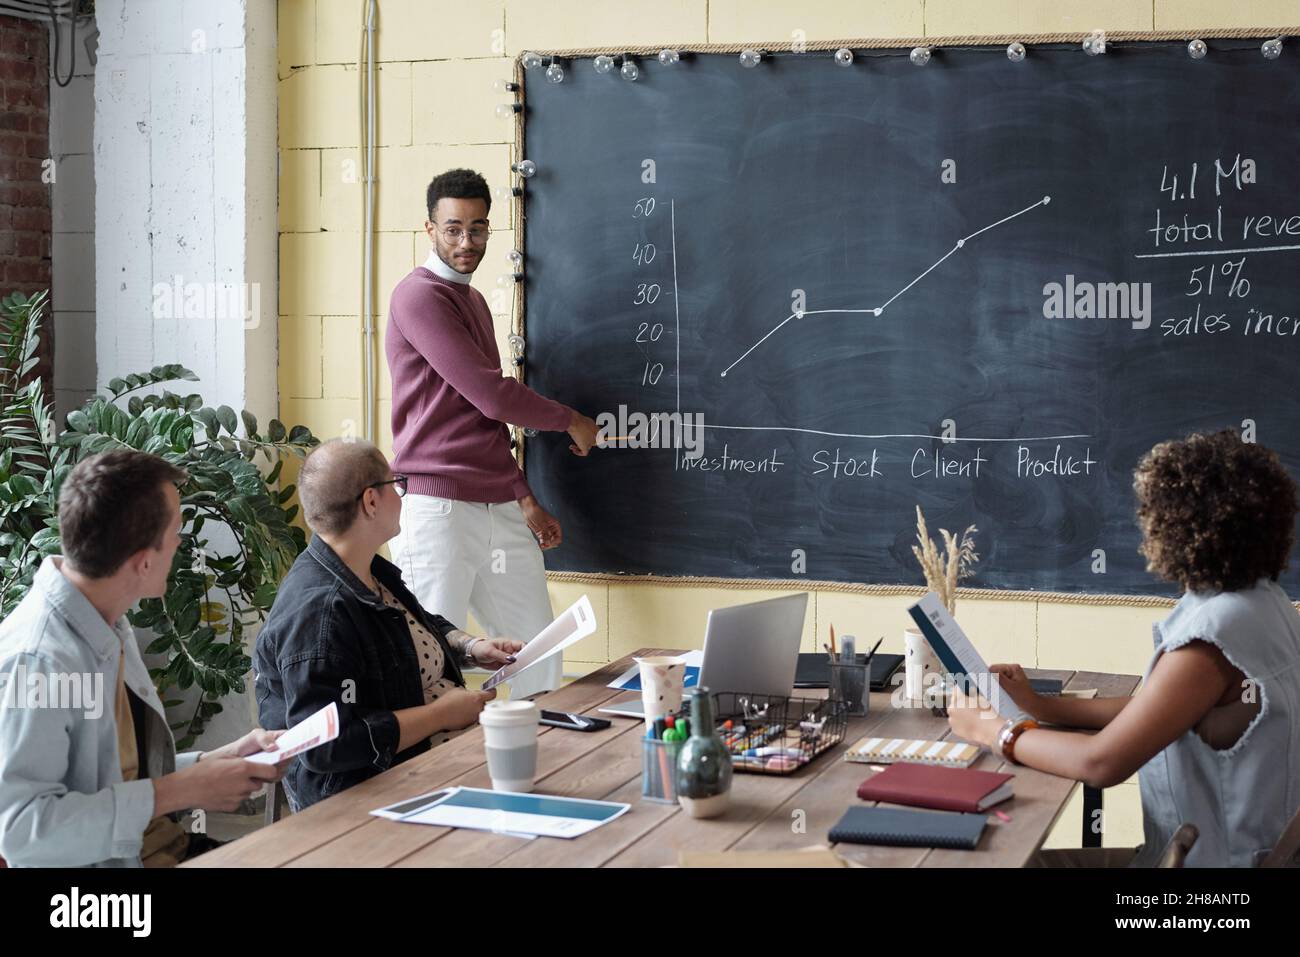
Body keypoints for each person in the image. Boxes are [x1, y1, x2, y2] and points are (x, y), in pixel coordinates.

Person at [947, 429, 1300, 867]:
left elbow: (1102, 764)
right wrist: (1040, 705)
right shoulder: (1264, 603)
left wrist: (993, 732)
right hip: (1225, 855)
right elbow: (1154, 709)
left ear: (1177, 527)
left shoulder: (1214, 634)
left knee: (996, 861)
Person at [0, 450, 289, 867]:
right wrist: (182, 790)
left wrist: (216, 762)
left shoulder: (104, 619)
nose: (179, 542)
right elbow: (23, 834)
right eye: (175, 531)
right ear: (144, 562)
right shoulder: (39, 661)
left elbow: (114, 778)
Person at [384, 167, 601, 698]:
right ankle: (419, 781)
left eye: (478, 228)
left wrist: (523, 496)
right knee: (427, 666)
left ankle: (533, 773)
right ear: (429, 229)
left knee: (539, 654)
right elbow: (492, 395)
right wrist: (571, 418)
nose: (467, 241)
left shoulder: (475, 301)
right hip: (437, 510)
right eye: (453, 228)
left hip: (494, 506)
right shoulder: (418, 297)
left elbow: (481, 420)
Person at [254, 439, 523, 811]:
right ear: (371, 501)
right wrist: (441, 716)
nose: (401, 493)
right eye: (396, 482)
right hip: (374, 800)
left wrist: (470, 647)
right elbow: (325, 745)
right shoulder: (319, 613)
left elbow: (416, 628)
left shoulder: (370, 570)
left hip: (436, 766)